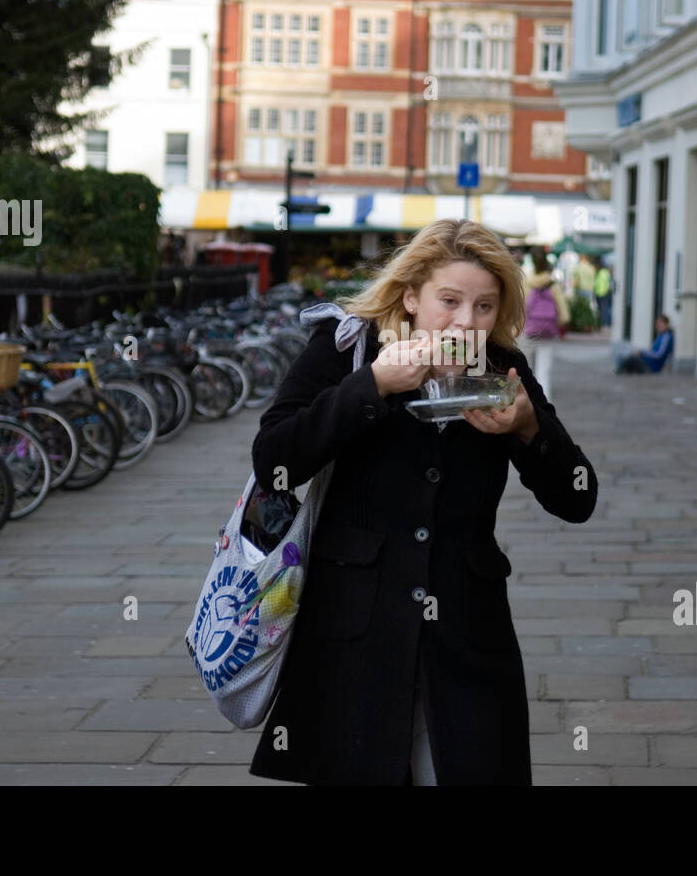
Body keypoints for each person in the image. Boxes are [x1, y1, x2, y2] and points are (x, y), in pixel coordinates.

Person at [248, 218, 598, 785]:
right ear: (411, 296)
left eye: (485, 306)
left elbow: (578, 496)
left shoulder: (501, 368)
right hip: (354, 636)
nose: (467, 321)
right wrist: (372, 387)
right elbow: (274, 460)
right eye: (450, 300)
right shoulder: (347, 348)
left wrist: (531, 427)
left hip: (464, 637)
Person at [520, 247, 568, 396]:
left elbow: (520, 307)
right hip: (547, 332)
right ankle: (544, 404)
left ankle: (528, 402)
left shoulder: (526, 282)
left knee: (527, 371)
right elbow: (565, 315)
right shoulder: (553, 285)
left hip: (529, 330)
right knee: (544, 372)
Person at [594, 262, 612, 329]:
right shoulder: (607, 273)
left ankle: (603, 323)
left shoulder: (600, 273)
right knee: (605, 309)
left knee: (603, 309)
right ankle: (604, 324)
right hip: (604, 293)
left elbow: (596, 283)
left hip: (600, 293)